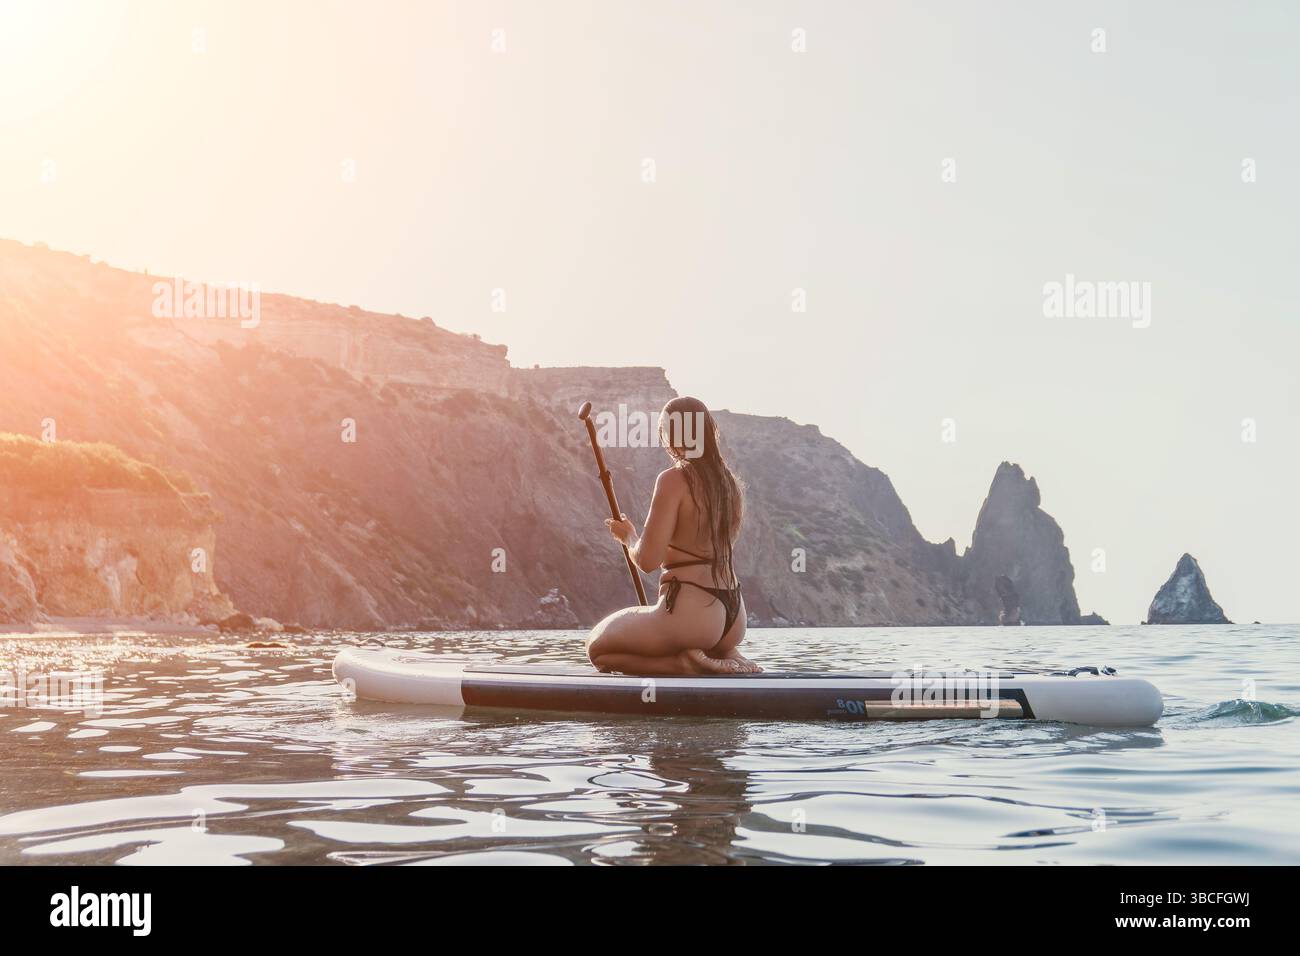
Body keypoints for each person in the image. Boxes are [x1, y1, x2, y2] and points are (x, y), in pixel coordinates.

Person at [585, 396, 761, 675]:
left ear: (671, 434)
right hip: (733, 615)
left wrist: (628, 536)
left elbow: (647, 560)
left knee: (597, 647)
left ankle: (683, 662)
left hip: (693, 615)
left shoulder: (674, 479)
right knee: (696, 632)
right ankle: (723, 651)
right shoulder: (730, 485)